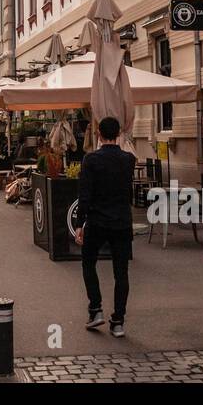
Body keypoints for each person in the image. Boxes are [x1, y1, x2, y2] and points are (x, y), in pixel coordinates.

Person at [73, 116, 135, 338]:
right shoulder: (129, 160)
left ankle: (96, 309)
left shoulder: (91, 160)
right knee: (121, 273)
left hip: (98, 220)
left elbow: (85, 194)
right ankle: (118, 321)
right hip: (121, 222)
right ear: (118, 134)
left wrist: (80, 224)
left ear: (99, 134)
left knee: (88, 263)